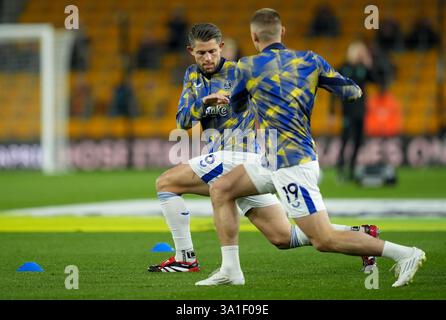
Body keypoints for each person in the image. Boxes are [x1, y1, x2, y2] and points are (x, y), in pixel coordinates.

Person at [196, 8, 426, 287]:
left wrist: (224, 99)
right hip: (276, 159)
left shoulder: (248, 66)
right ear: (282, 32)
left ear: (254, 37)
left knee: (324, 239)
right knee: (221, 188)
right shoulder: (310, 60)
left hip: (291, 165)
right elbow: (353, 92)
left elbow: (236, 106)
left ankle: (404, 254)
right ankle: (231, 271)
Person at [148, 23, 377, 273]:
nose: (208, 58)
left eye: (212, 51)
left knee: (166, 183)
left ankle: (185, 258)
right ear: (191, 51)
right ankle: (363, 236)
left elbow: (274, 102)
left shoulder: (241, 72)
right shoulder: (192, 76)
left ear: (221, 48)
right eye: (201, 53)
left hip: (243, 155)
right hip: (230, 166)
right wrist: (203, 104)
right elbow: (182, 120)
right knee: (283, 237)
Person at [330, 40, 375, 182]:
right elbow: (333, 89)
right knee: (345, 141)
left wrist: (369, 64)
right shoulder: (343, 68)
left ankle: (352, 169)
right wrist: (331, 111)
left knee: (357, 142)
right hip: (347, 111)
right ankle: (340, 169)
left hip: (361, 111)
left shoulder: (364, 68)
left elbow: (376, 80)